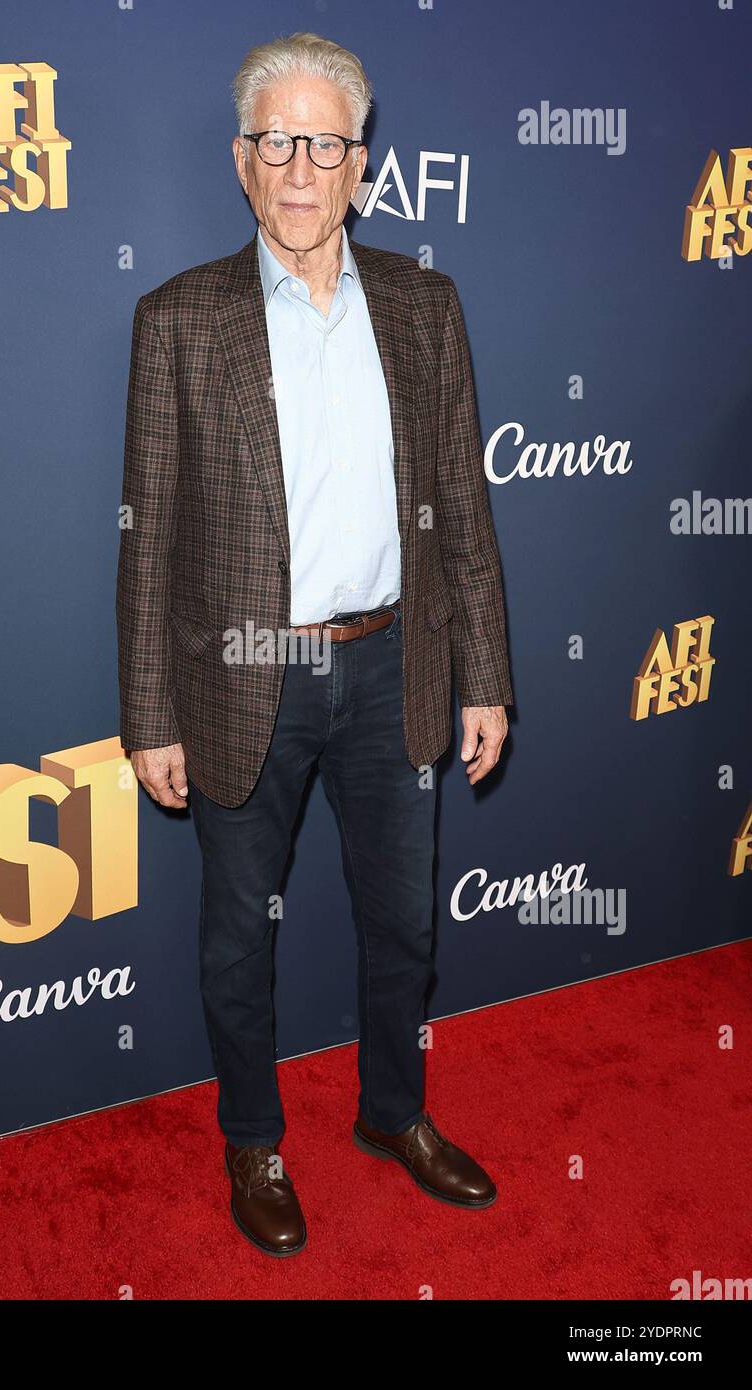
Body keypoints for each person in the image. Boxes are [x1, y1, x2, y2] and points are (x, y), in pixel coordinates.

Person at [116, 31, 514, 1257]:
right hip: (243, 672)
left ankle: (395, 1113)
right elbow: (148, 535)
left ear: (359, 162)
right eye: (277, 141)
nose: (301, 166)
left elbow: (462, 502)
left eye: (324, 142)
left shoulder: (425, 304)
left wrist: (485, 676)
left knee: (405, 924)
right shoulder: (178, 318)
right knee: (241, 933)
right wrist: (150, 713)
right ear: (244, 161)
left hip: (398, 660)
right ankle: (253, 1135)